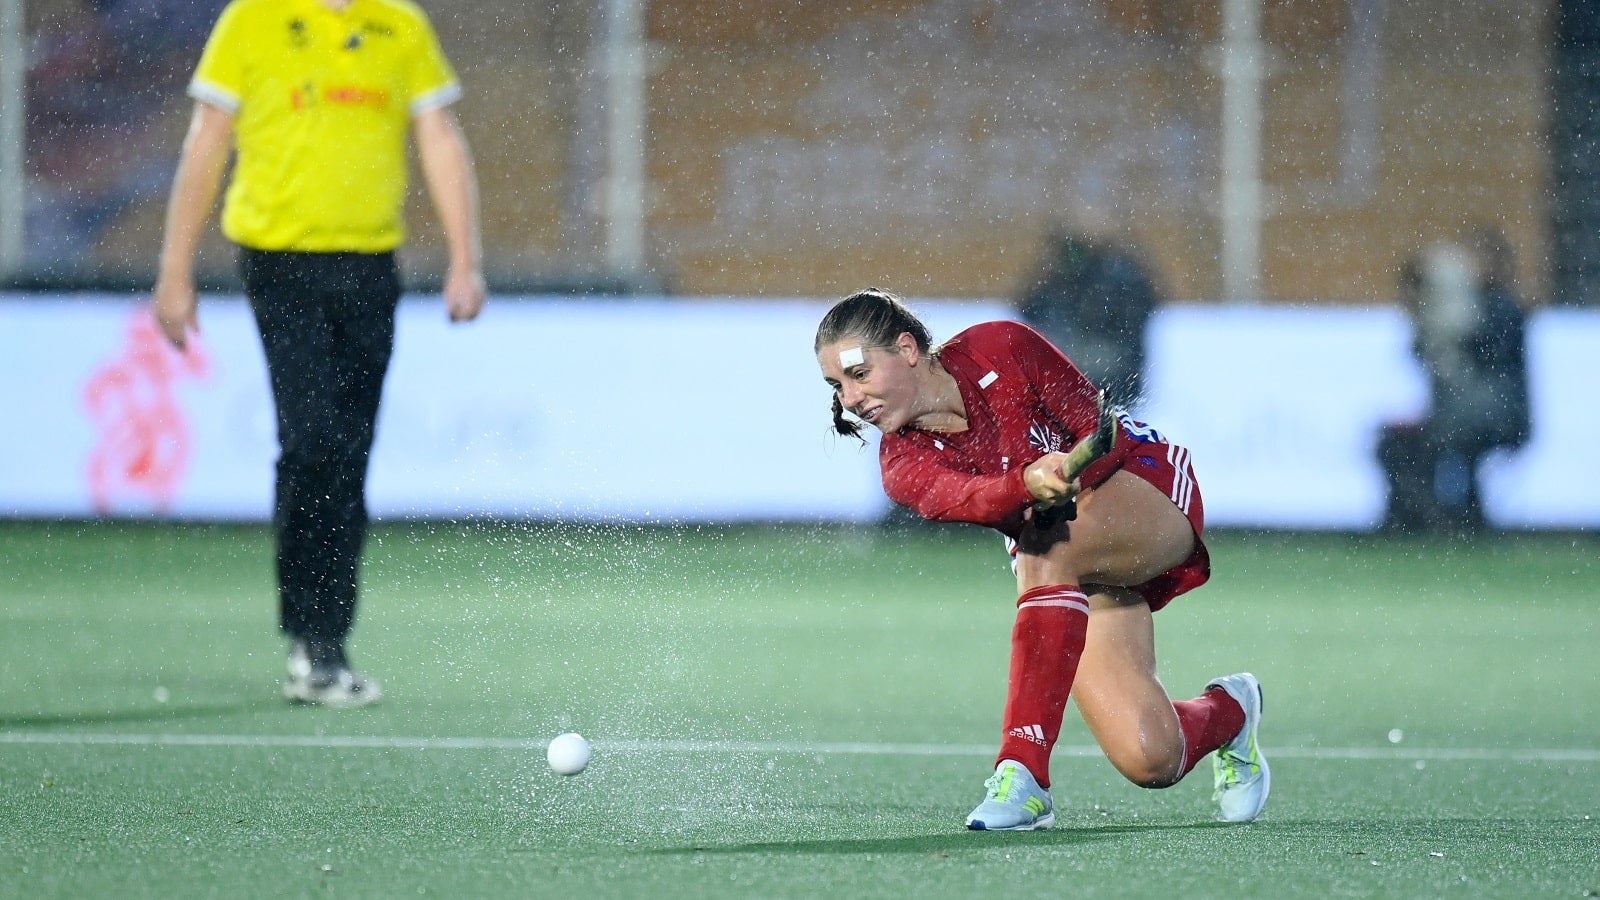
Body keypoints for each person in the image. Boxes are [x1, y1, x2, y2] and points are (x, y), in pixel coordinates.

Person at [814, 288, 1266, 831]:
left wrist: (1070, 480)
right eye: (837, 386)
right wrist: (1026, 483)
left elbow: (1104, 436)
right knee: (1151, 758)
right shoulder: (902, 467)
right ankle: (1232, 711)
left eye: (858, 374)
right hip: (1067, 564)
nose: (850, 398)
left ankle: (1023, 776)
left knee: (1042, 548)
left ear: (907, 349)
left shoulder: (999, 345)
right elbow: (978, 500)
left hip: (1140, 484)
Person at [152, 0, 487, 706]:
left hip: (369, 263)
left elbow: (439, 136)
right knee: (311, 438)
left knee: (349, 451)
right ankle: (312, 636)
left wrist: (466, 260)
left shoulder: (400, 25)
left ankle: (327, 640)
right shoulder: (254, 19)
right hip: (279, 260)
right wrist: (175, 270)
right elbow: (208, 140)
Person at [1378, 230, 1530, 534]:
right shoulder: (1471, 307)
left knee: (1425, 445)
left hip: (1491, 415)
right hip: (1468, 412)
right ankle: (1428, 517)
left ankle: (1433, 520)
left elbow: (1480, 357)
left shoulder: (1500, 309)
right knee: (1400, 444)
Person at [1016, 228, 1161, 409]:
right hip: (1097, 377)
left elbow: (1030, 307)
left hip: (1104, 375)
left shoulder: (1112, 280)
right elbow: (1029, 308)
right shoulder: (1079, 281)